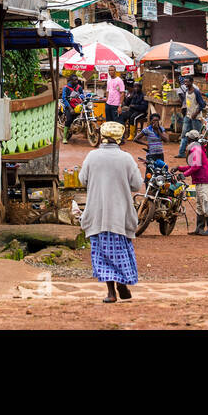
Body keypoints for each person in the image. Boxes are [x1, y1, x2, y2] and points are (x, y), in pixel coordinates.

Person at [79, 120, 144, 303]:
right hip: (120, 215)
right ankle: (122, 284)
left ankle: (111, 292)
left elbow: (82, 180)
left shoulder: (92, 156)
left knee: (101, 255)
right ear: (119, 138)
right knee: (120, 252)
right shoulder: (126, 158)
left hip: (97, 213)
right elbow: (137, 184)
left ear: (102, 136)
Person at [176, 130, 208, 236]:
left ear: (191, 139)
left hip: (203, 180)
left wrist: (184, 174)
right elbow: (192, 166)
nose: (187, 141)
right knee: (200, 205)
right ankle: (200, 228)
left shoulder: (196, 149)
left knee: (206, 204)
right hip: (200, 181)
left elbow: (195, 166)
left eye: (188, 139)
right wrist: (180, 169)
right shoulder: (197, 148)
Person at [176, 76, 206, 157]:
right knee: (184, 134)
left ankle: (199, 153)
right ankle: (181, 153)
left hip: (196, 117)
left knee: (197, 136)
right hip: (188, 116)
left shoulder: (196, 92)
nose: (186, 84)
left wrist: (195, 113)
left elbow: (202, 104)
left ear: (192, 82)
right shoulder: (186, 91)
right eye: (185, 82)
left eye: (187, 82)